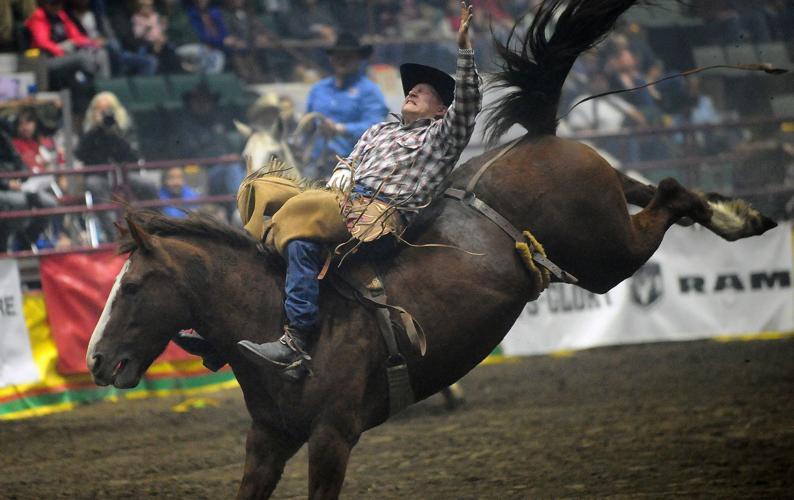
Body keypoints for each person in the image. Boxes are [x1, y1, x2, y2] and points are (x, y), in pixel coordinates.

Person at [238, 2, 480, 379]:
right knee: (264, 197)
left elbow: (468, 105)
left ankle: (298, 339)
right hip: (343, 202)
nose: (413, 91)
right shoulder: (378, 130)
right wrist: (343, 171)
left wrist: (464, 48)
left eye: (424, 91)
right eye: (411, 88)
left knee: (299, 234)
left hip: (379, 217)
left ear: (441, 111)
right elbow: (349, 163)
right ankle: (237, 328)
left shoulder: (440, 138)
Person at [303, 32, 388, 179]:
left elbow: (376, 127)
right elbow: (307, 124)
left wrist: (340, 129)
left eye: (348, 56)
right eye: (338, 56)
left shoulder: (369, 91)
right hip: (315, 163)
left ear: (359, 59)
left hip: (352, 165)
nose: (342, 60)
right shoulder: (319, 89)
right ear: (332, 59)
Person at [75, 91, 158, 240]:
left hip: (125, 175)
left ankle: (155, 228)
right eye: (100, 109)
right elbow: (80, 154)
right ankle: (115, 234)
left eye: (108, 109)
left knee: (148, 184)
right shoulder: (89, 131)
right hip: (99, 176)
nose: (105, 113)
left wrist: (114, 133)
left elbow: (132, 155)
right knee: (93, 184)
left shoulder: (124, 128)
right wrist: (97, 129)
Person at [25, 0, 111, 82]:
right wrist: (60, 50)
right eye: (54, 4)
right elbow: (42, 42)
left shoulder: (61, 15)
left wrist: (92, 43)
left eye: (59, 3)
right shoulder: (38, 16)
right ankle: (92, 87)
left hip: (66, 53)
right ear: (45, 4)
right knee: (83, 58)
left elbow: (75, 36)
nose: (57, 7)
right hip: (46, 59)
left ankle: (103, 87)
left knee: (100, 53)